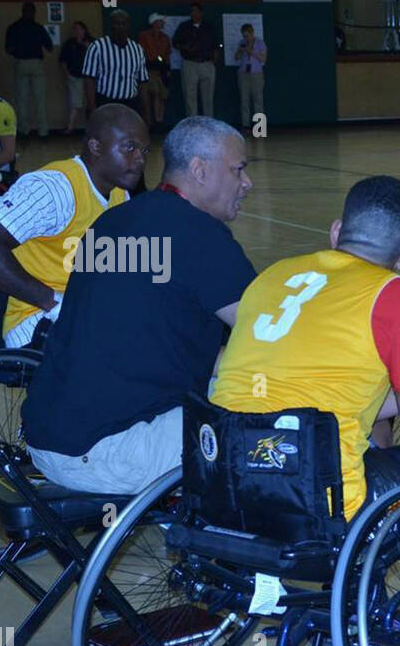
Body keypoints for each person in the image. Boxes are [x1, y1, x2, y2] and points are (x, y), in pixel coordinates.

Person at [211, 175, 400, 530]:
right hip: (319, 498)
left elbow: (329, 391)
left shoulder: (272, 276)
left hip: (223, 479)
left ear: (336, 232)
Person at [20, 117, 255, 494]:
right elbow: (267, 338)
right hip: (110, 451)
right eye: (239, 170)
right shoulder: (202, 236)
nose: (247, 183)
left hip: (47, 436)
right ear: (199, 170)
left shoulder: (111, 221)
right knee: (272, 419)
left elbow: (158, 338)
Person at [0, 104, 147, 348]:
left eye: (144, 151)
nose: (140, 159)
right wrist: (52, 302)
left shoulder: (119, 195)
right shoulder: (53, 188)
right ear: (96, 147)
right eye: (129, 147)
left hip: (83, 309)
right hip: (37, 317)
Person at [82, 10, 148, 113]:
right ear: (111, 26)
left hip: (130, 103)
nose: (120, 27)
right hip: (106, 102)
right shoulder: (97, 47)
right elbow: (89, 79)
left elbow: (142, 82)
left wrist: (146, 113)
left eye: (123, 23)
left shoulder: (137, 49)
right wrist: (92, 107)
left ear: (128, 26)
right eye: (116, 23)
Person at [4, 2, 54, 138]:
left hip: (21, 62)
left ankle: (23, 130)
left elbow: (8, 49)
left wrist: (19, 50)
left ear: (22, 12)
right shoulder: (38, 28)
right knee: (40, 100)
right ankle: (43, 131)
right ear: (34, 13)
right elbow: (50, 47)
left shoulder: (14, 27)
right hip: (36, 63)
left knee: (22, 100)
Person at [173, 3, 219, 117]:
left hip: (207, 63)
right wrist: (186, 47)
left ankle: (209, 123)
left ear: (201, 13)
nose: (193, 13)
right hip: (190, 63)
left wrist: (215, 57)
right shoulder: (184, 27)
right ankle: (192, 123)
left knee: (208, 96)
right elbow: (175, 43)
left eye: (196, 11)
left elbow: (217, 44)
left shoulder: (209, 27)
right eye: (192, 11)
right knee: (190, 95)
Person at [138, 13, 172, 129]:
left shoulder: (165, 38)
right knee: (148, 96)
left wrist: (167, 70)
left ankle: (159, 121)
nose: (163, 23)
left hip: (161, 70)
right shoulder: (144, 36)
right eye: (160, 21)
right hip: (148, 70)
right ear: (154, 23)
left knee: (161, 96)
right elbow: (143, 54)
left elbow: (167, 55)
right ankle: (149, 123)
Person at [59, 20, 93, 134]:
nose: (76, 31)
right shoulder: (69, 43)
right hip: (75, 76)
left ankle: (93, 127)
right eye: (74, 29)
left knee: (91, 102)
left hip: (90, 77)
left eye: (78, 29)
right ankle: (70, 127)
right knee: (75, 103)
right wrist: (67, 73)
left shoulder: (92, 42)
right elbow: (62, 60)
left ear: (84, 30)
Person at [234, 23, 266, 131]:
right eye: (244, 36)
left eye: (247, 35)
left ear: (252, 33)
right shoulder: (242, 43)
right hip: (243, 75)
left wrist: (251, 52)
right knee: (244, 100)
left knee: (258, 100)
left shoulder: (260, 43)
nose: (245, 38)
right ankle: (246, 125)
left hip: (256, 74)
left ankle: (259, 127)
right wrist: (240, 51)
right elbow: (236, 58)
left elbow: (263, 59)